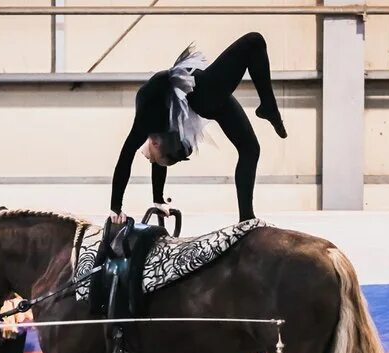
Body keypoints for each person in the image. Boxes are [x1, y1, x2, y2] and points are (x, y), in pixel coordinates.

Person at [109, 32, 287, 224]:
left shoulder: (146, 120)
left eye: (153, 158)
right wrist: (158, 200)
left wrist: (115, 207)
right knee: (250, 149)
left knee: (254, 41)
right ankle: (246, 218)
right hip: (205, 97)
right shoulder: (160, 134)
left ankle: (246, 216)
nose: (149, 159)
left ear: (155, 142)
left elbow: (125, 157)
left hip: (203, 91)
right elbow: (158, 161)